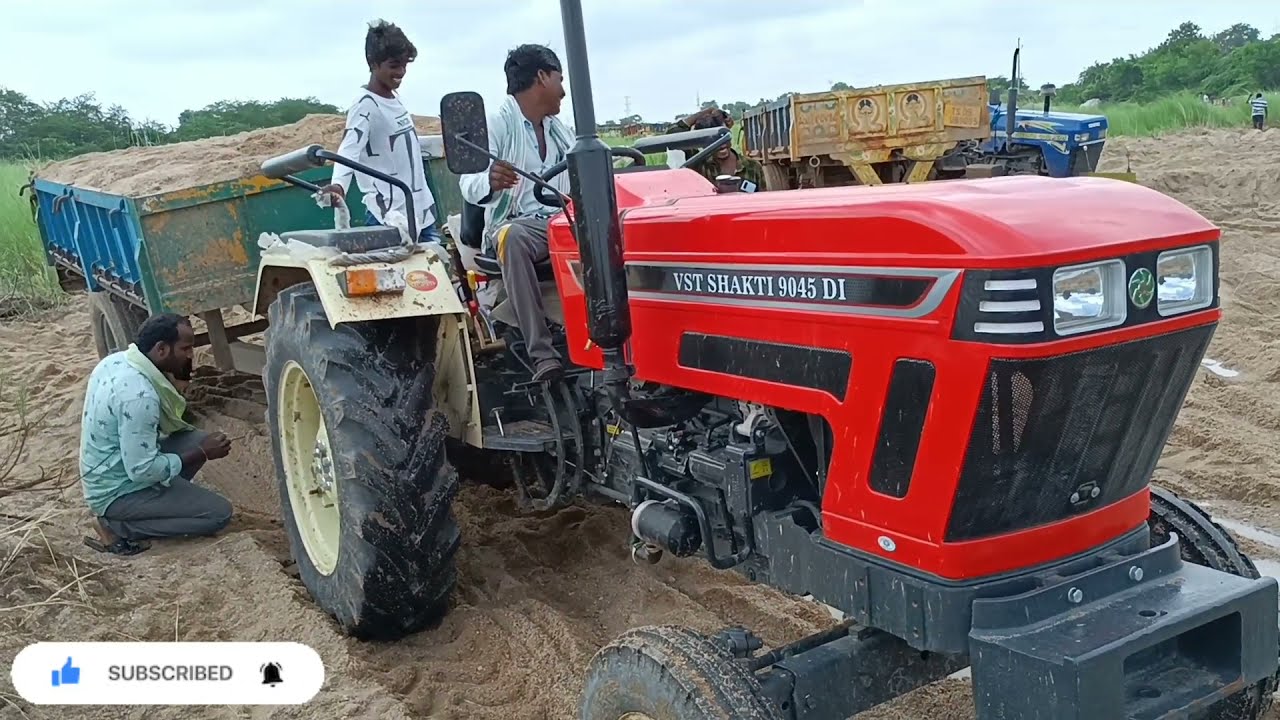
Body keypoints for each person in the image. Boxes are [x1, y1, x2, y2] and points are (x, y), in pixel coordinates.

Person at [458, 44, 573, 382]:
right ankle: (543, 354)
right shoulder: (498, 124)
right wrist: (491, 180)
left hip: (558, 222)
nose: (563, 90)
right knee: (515, 236)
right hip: (513, 226)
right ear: (542, 77)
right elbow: (469, 182)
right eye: (560, 79)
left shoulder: (557, 129)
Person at [79, 314, 234, 556]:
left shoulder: (116, 362)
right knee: (218, 514)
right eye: (185, 348)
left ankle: (165, 501)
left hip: (113, 469)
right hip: (118, 491)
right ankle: (117, 525)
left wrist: (199, 448)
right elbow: (141, 469)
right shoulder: (140, 398)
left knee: (198, 438)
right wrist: (202, 453)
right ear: (161, 349)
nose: (191, 355)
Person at [320, 19, 442, 244]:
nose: (402, 72)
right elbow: (349, 149)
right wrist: (339, 185)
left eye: (405, 65)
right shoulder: (366, 105)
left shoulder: (396, 101)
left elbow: (407, 146)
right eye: (394, 65)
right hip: (389, 218)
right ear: (373, 63)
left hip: (421, 216)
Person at [665, 107, 766, 191]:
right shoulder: (699, 166)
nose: (721, 144)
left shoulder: (752, 167)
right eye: (712, 140)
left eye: (723, 136)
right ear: (702, 143)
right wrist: (708, 111)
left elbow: (763, 203)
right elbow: (672, 134)